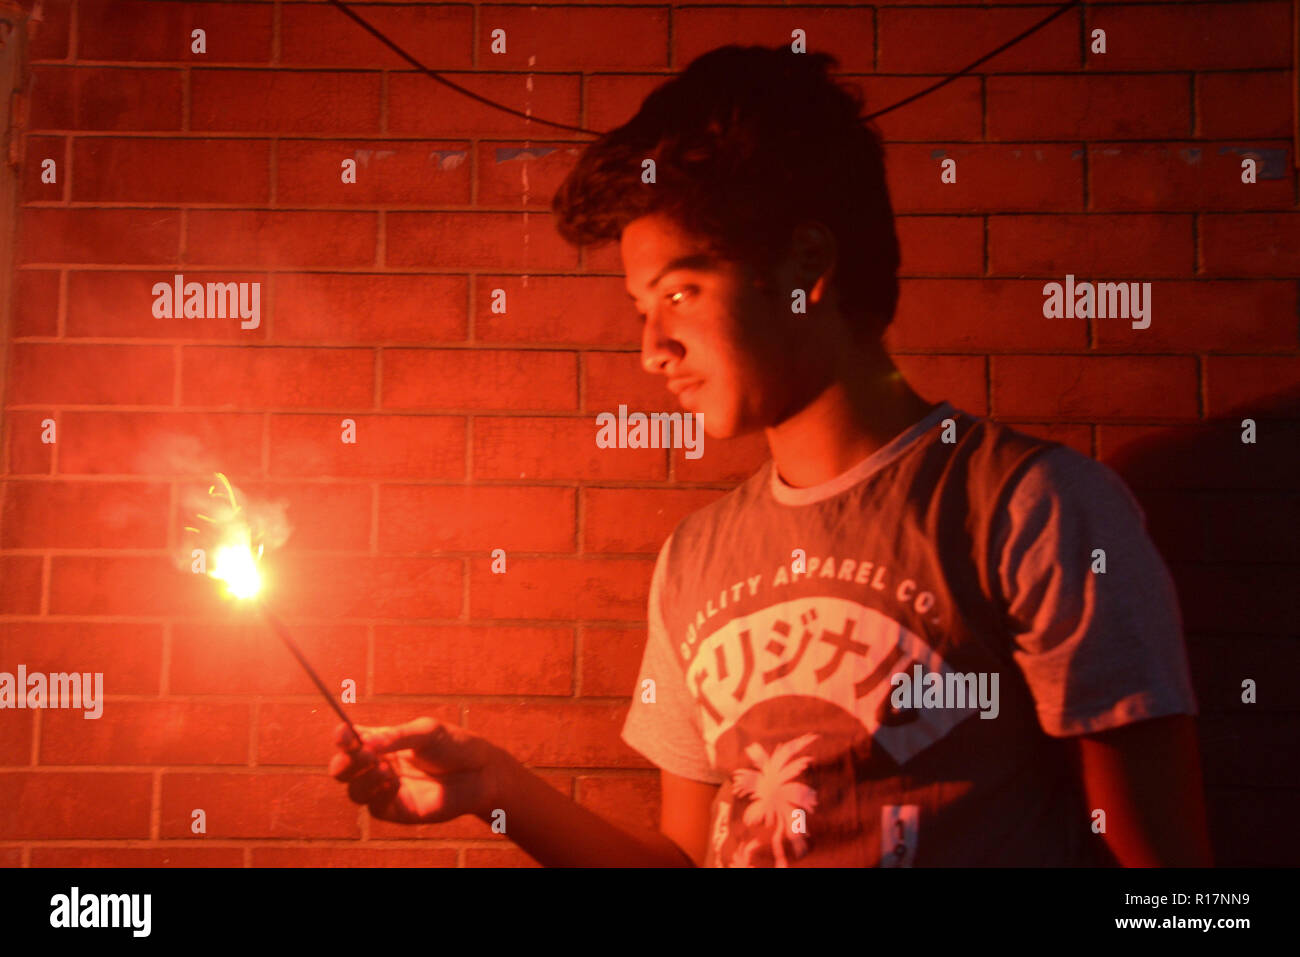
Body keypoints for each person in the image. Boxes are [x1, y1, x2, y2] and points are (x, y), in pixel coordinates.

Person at [330, 45, 1213, 867]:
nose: (651, 348)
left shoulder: (1032, 506)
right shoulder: (694, 560)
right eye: (641, 305)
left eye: (681, 290)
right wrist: (495, 789)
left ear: (806, 266)